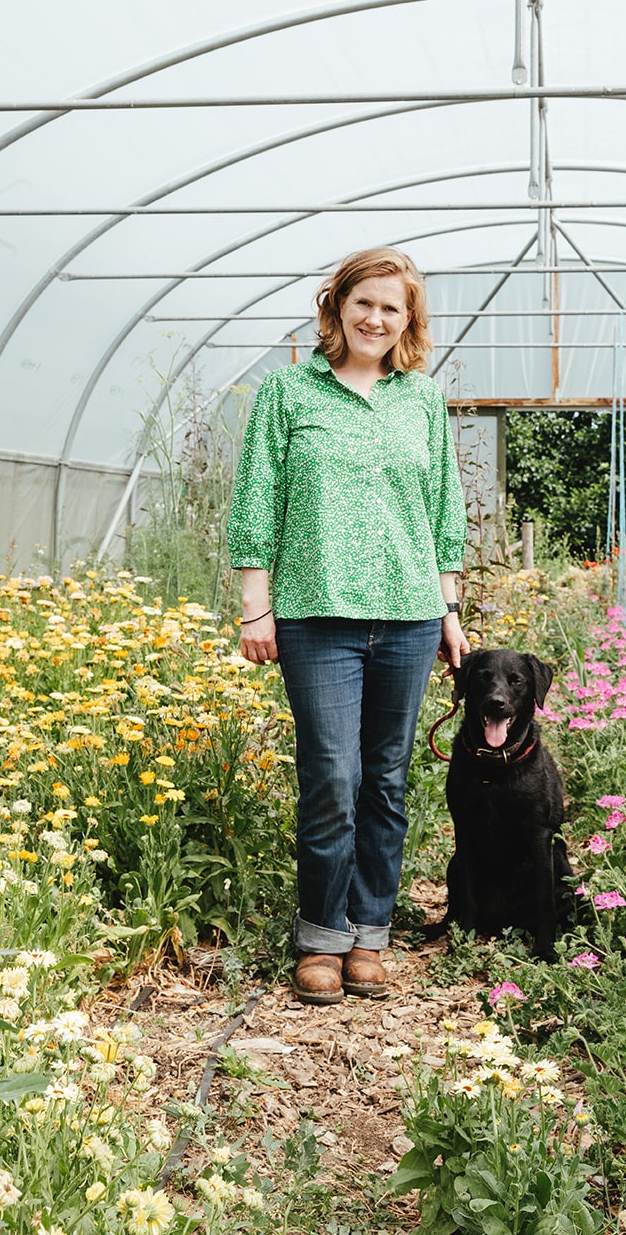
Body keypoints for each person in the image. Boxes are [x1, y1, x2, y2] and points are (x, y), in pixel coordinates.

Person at [227, 247, 469, 1005]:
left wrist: (449, 612)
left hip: (408, 616)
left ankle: (369, 933)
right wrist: (255, 604)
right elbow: (257, 498)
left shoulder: (421, 398)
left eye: (391, 307)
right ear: (336, 306)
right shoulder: (287, 392)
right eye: (363, 302)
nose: (375, 318)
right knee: (332, 778)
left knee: (386, 781)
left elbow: (443, 509)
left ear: (408, 320)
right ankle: (320, 937)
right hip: (315, 614)